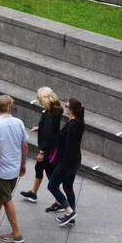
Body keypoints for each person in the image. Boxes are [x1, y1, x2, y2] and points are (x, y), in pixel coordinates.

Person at [0, 94, 28, 243]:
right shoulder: (19, 123)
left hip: (2, 171)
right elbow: (25, 145)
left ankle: (17, 234)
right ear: (10, 107)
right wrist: (23, 164)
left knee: (6, 199)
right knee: (2, 196)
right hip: (15, 169)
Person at [22, 87, 64, 204]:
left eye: (39, 97)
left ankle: (59, 202)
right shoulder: (55, 109)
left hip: (48, 149)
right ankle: (33, 193)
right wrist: (40, 128)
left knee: (51, 176)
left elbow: (48, 134)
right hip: (51, 146)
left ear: (44, 98)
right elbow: (51, 129)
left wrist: (42, 152)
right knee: (39, 168)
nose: (38, 100)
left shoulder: (50, 113)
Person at [48, 98, 85, 227]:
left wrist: (62, 167)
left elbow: (69, 148)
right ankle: (71, 217)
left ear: (72, 109)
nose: (66, 107)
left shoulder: (72, 126)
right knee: (68, 187)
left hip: (68, 162)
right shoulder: (77, 122)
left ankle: (69, 212)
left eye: (67, 106)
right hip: (74, 161)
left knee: (52, 185)